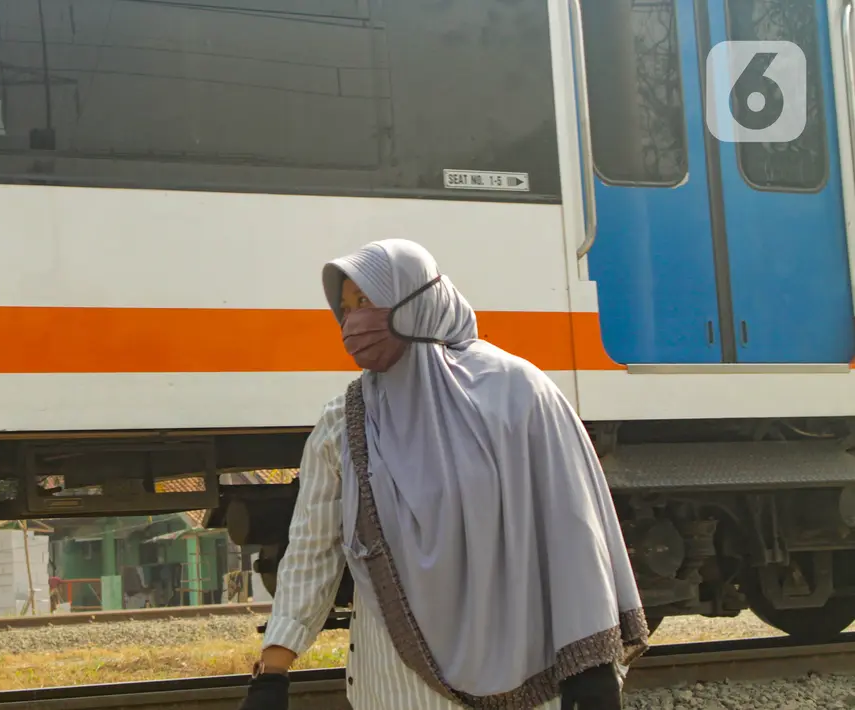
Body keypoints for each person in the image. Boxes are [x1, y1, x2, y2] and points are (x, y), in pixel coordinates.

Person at [237, 239, 649, 710]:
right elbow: (313, 550)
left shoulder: (520, 394)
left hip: (530, 680)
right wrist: (271, 672)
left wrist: (591, 669)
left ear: (419, 299)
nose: (352, 323)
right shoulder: (344, 422)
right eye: (345, 308)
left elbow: (574, 531)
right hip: (393, 685)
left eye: (366, 301)